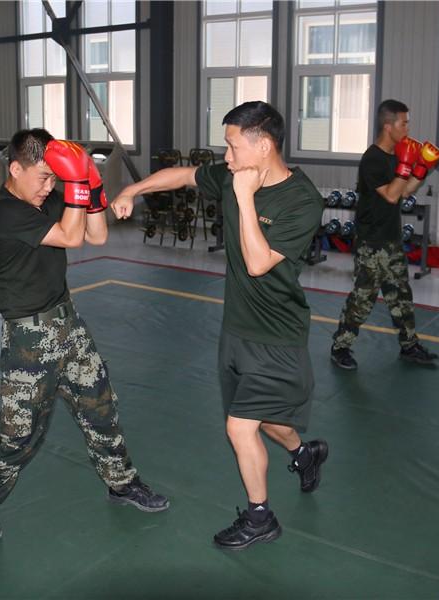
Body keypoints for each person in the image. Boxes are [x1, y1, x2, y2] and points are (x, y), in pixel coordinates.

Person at [112, 101, 329, 550]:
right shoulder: (232, 176)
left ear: (264, 146)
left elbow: (257, 263)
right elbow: (183, 176)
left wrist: (245, 198)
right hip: (236, 330)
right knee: (267, 421)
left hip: (277, 336)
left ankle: (260, 517)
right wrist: (134, 189)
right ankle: (304, 453)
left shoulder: (302, 199)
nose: (226, 158)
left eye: (232, 147)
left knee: (239, 427)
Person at [0, 130, 169, 542]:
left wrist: (90, 186)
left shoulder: (46, 199)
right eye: (42, 177)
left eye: (54, 178)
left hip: (69, 325)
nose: (48, 187)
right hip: (28, 340)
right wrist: (76, 185)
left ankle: (121, 482)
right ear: (15, 169)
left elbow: (97, 235)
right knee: (20, 435)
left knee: (101, 408)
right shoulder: (4, 212)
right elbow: (72, 237)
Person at [329, 99, 439, 371]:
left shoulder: (395, 156)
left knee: (401, 294)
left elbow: (405, 191)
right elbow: (390, 195)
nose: (408, 128)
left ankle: (409, 345)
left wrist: (422, 167)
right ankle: (340, 346)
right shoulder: (372, 159)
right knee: (363, 297)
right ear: (388, 126)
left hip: (391, 238)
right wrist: (406, 164)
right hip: (371, 240)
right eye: (404, 123)